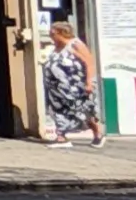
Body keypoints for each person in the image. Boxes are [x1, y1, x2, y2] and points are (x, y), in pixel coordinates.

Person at [42, 17, 103, 145]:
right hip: (58, 88)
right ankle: (61, 137)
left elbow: (89, 63)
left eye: (52, 34)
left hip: (76, 86)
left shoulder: (75, 44)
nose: (50, 36)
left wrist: (88, 82)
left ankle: (97, 132)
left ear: (59, 33)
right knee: (59, 110)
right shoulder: (56, 48)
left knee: (82, 110)